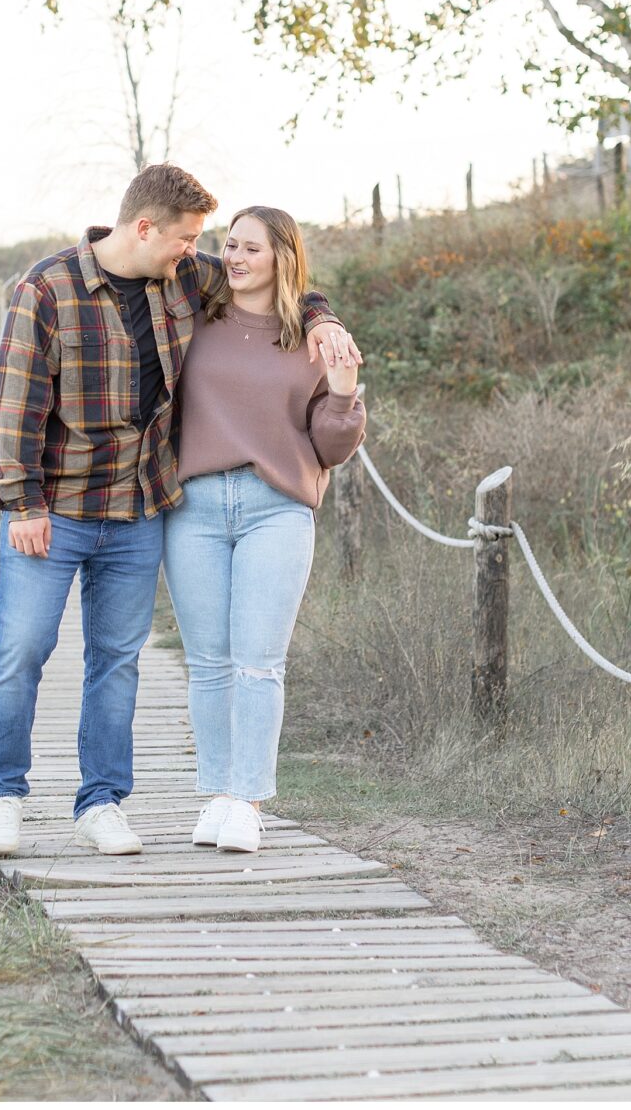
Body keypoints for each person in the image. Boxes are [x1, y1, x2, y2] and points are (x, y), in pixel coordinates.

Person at [0, 164, 357, 859]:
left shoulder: (180, 278)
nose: (201, 252)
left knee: (117, 661)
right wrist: (22, 500)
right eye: (189, 238)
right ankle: (2, 797)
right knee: (20, 648)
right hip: (52, 510)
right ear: (146, 228)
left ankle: (102, 803)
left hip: (137, 509)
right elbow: (14, 403)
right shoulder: (48, 287)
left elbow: (284, 275)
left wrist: (325, 320)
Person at [164, 205, 366, 855]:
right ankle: (218, 793)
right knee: (209, 664)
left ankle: (248, 801)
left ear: (283, 257)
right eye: (231, 245)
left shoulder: (313, 338)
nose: (238, 257)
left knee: (258, 662)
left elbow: (332, 447)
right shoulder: (193, 315)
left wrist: (341, 391)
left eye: (253, 247)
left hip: (275, 509)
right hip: (193, 506)